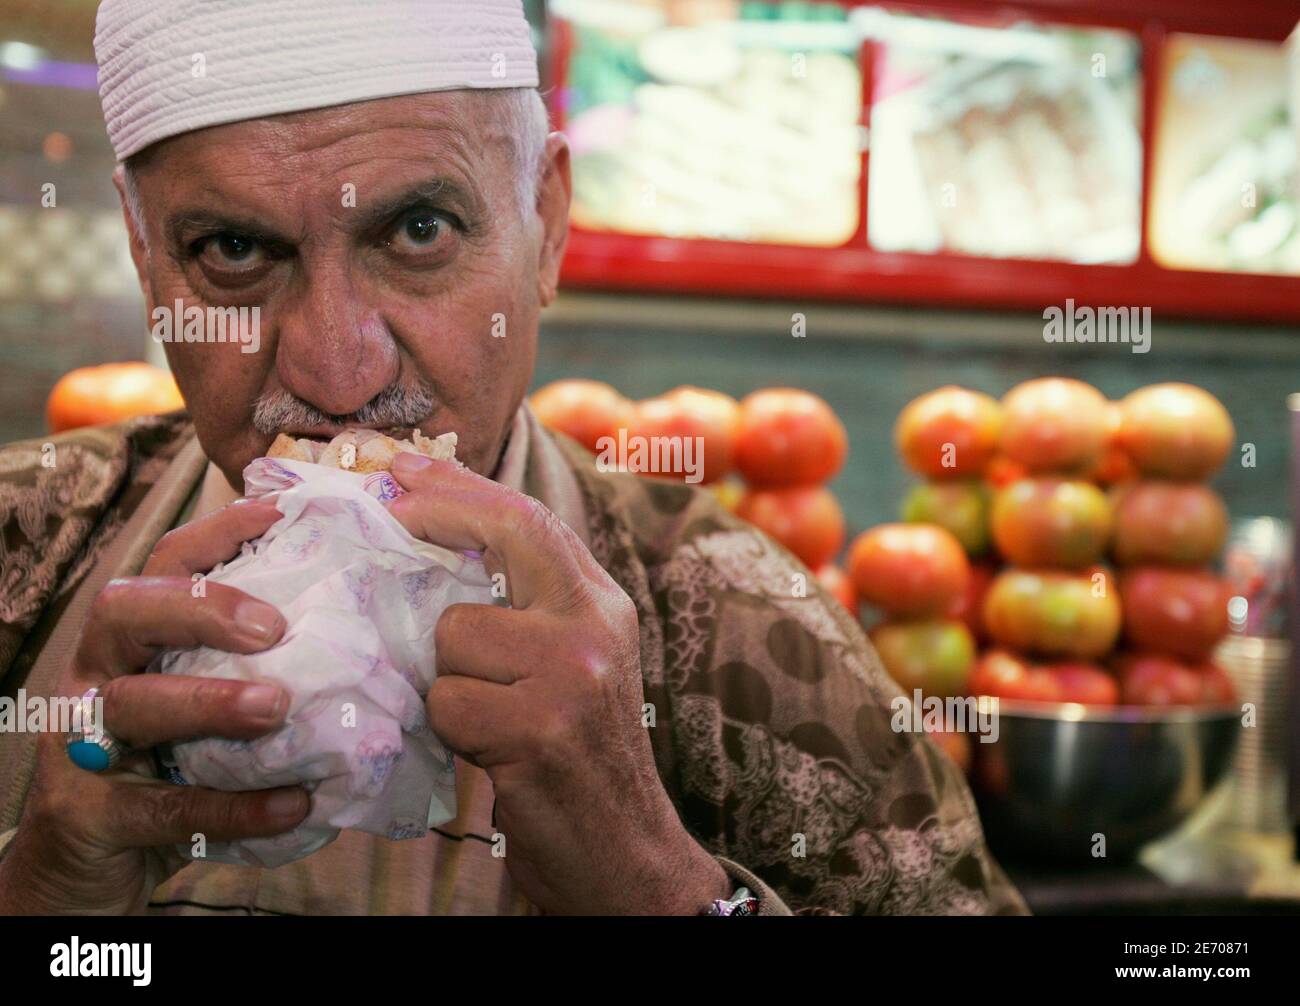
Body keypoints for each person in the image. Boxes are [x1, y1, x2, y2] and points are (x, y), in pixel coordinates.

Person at [0, 0, 1025, 916]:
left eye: (418, 229)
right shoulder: (28, 551)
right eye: (233, 251)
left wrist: (655, 883)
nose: (336, 373)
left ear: (546, 222)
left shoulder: (743, 633)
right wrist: (48, 890)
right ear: (145, 261)